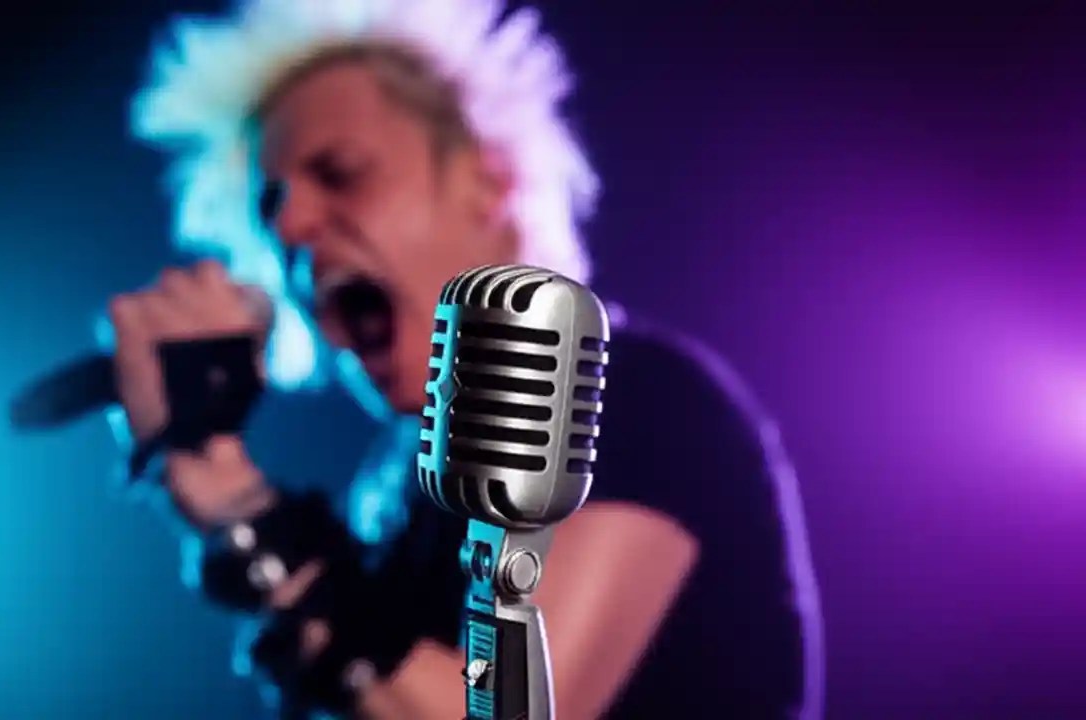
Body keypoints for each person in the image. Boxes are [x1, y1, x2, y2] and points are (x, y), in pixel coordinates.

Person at [108, 0, 824, 717]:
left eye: (342, 173)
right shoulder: (388, 495)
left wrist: (229, 494)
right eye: (272, 208)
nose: (291, 226)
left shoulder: (623, 390)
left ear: (491, 180)